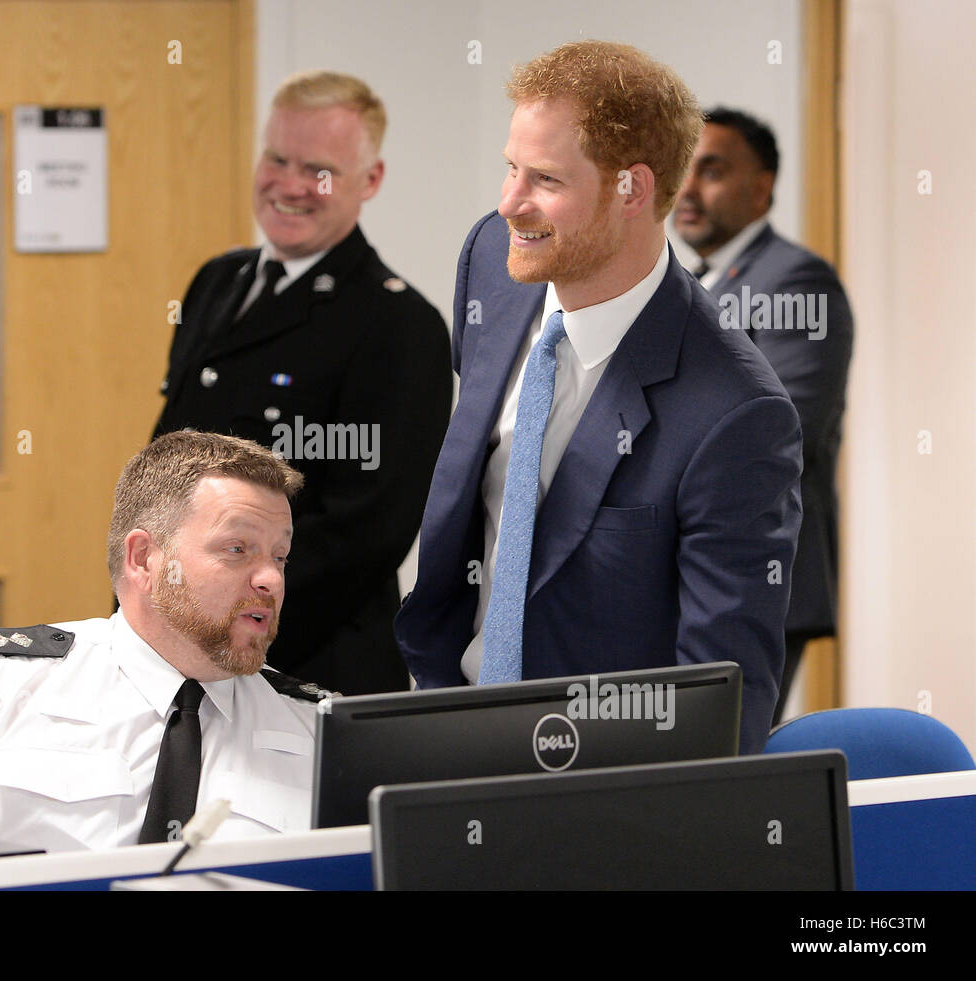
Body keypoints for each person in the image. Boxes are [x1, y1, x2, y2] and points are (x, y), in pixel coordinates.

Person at [393, 41, 803, 755]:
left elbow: (722, 703)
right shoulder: (494, 260)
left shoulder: (737, 414)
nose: (510, 203)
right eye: (511, 167)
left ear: (632, 191)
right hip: (443, 735)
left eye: (545, 179)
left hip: (594, 785)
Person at [0, 431, 326, 851]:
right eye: (237, 549)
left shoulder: (313, 730)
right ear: (144, 559)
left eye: (279, 557)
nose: (271, 581)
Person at [154, 71, 452, 696]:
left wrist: (214, 615)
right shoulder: (218, 281)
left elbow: (365, 534)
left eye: (319, 170)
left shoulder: (398, 324)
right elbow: (169, 465)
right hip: (173, 648)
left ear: (370, 181)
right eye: (277, 158)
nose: (289, 185)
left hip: (303, 666)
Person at [674, 107, 853, 724]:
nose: (689, 189)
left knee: (727, 774)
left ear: (762, 187)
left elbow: (783, 430)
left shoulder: (796, 281)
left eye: (713, 170)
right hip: (690, 574)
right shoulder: (688, 284)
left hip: (758, 576)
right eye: (684, 169)